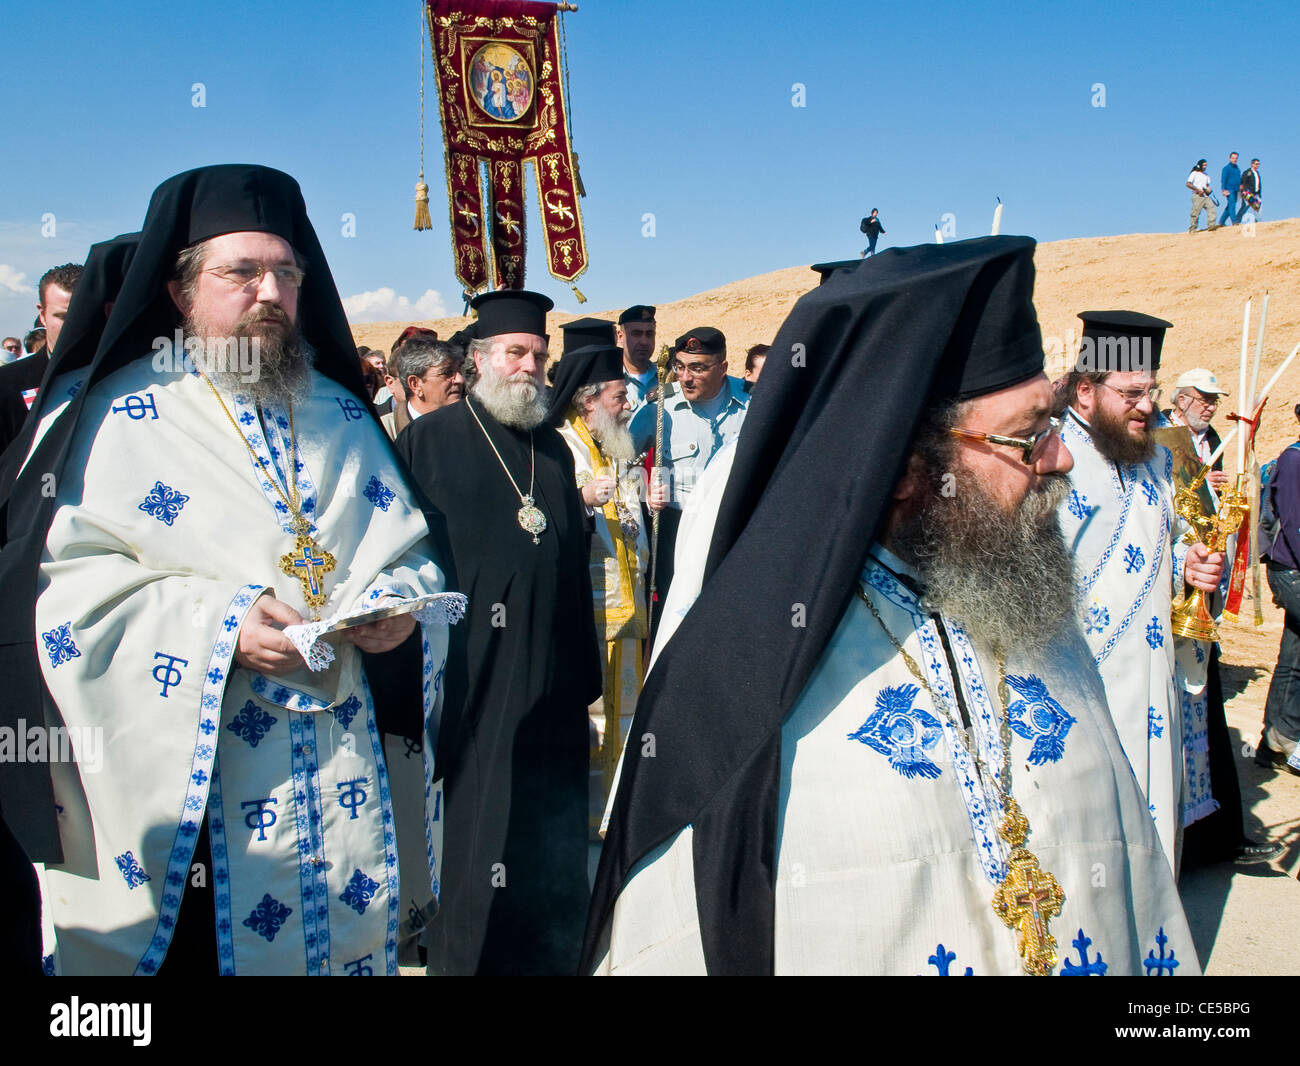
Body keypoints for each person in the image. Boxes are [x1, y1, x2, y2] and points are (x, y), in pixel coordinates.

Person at [583, 236, 1197, 976]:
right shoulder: (732, 690)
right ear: (907, 469)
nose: (1062, 458)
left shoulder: (1041, 624)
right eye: (1031, 436)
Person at [1, 164, 456, 975]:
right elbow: (61, 591)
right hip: (198, 796)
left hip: (339, 771)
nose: (270, 292)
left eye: (286, 272)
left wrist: (401, 606)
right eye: (240, 272)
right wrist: (222, 625)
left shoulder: (343, 412)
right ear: (181, 294)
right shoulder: (112, 415)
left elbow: (413, 550)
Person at [395, 289, 601, 976]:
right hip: (473, 680)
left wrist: (583, 684)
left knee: (549, 844)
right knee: (479, 841)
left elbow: (571, 563)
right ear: (480, 359)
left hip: (552, 679)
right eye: (516, 353)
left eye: (539, 356)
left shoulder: (555, 451)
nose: (530, 368)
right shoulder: (432, 440)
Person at [1056, 311, 1224, 869]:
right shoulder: (1047, 461)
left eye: (1151, 390)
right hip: (1077, 682)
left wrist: (1188, 566)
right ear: (1085, 391)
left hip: (1153, 683)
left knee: (1152, 837)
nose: (1148, 406)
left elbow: (1166, 545)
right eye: (1131, 393)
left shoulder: (1155, 457)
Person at [546, 343, 650, 835]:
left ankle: (617, 813)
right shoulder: (559, 446)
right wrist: (581, 500)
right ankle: (587, 817)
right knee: (590, 717)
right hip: (585, 612)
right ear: (588, 400)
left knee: (626, 715)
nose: (626, 404)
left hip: (629, 608)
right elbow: (539, 517)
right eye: (617, 395)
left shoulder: (618, 444)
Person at [628, 326, 748, 635]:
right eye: (679, 367)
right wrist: (644, 490)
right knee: (676, 611)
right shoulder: (660, 407)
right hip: (676, 528)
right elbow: (622, 463)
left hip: (733, 526)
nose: (685, 377)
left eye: (697, 368)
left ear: (722, 368)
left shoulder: (752, 404)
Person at [0, 264, 83, 458]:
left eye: (79, 314)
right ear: (42, 314)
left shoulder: (116, 377)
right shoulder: (6, 384)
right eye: (62, 316)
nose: (72, 325)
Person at [1259, 404, 1300, 775]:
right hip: (1292, 570)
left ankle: (1276, 740)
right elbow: (1293, 523)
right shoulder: (1294, 459)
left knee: (1295, 652)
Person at [395, 337, 465, 419]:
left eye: (460, 371)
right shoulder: (385, 429)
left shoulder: (471, 421)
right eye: (447, 373)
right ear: (415, 384)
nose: (460, 380)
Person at [616, 305, 658, 408]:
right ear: (621, 337)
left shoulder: (665, 378)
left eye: (649, 334)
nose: (644, 342)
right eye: (636, 334)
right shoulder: (611, 381)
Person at [1186, 160, 1219, 233]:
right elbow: (1188, 184)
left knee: (1212, 209)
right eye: (1204, 165)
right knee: (1195, 213)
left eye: (1206, 165)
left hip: (1205, 195)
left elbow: (1207, 185)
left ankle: (1211, 226)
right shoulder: (1194, 173)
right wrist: (1197, 190)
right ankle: (1193, 229)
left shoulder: (1206, 175)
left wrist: (1208, 189)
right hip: (1197, 196)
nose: (1205, 167)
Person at [1219, 152, 1242, 227]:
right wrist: (1223, 190)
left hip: (1236, 190)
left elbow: (1239, 179)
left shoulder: (1237, 168)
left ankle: (1221, 221)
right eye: (1233, 158)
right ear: (1230, 158)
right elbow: (1223, 179)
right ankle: (1234, 222)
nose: (1235, 159)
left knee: (1229, 206)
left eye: (1236, 158)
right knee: (1232, 205)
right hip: (1229, 190)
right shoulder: (1226, 168)